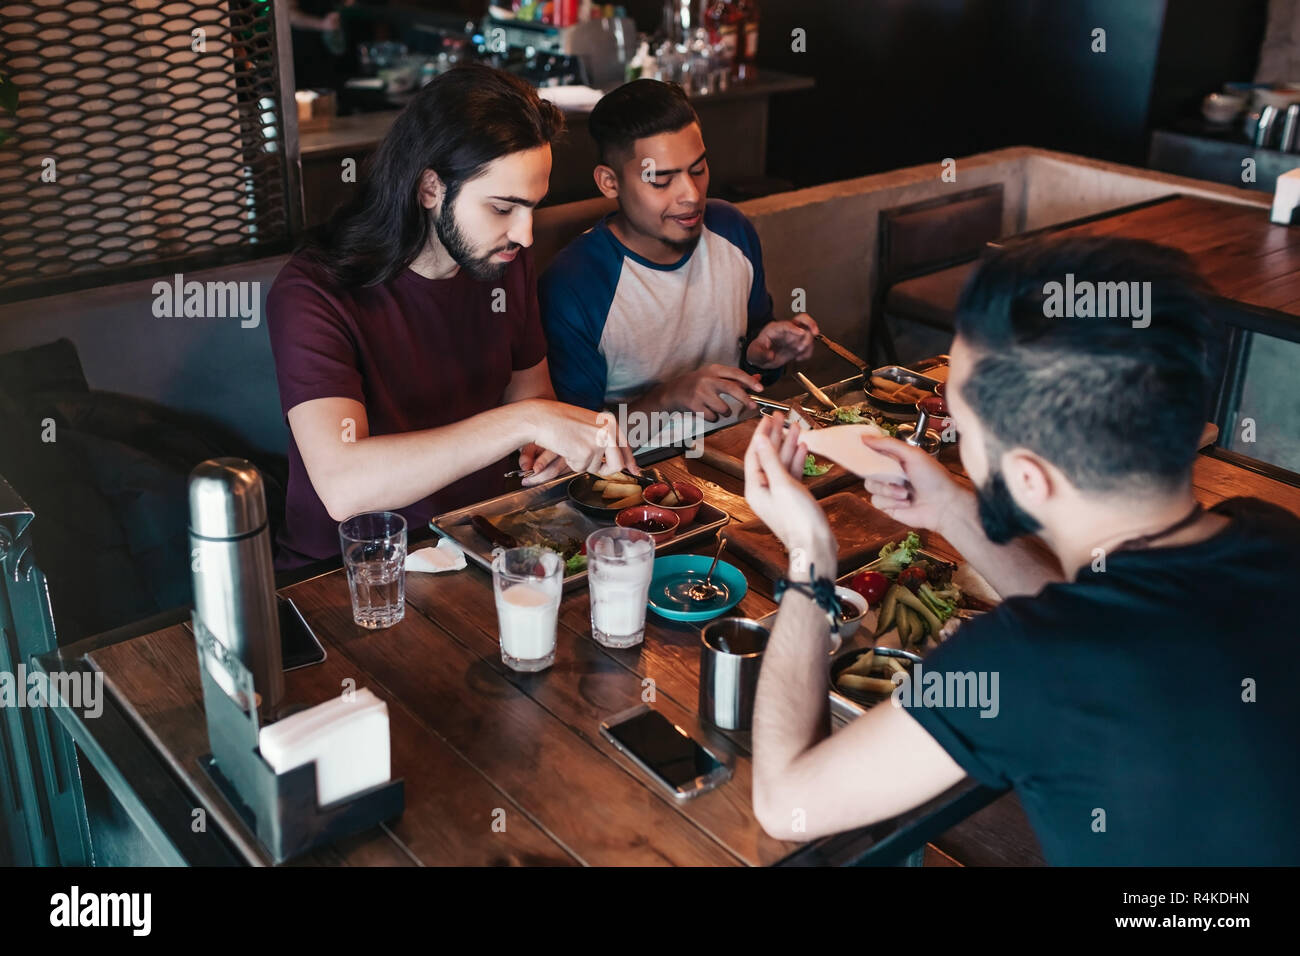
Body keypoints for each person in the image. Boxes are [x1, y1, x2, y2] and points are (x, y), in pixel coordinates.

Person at [742, 237, 1300, 865]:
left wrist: (809, 558)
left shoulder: (1019, 661)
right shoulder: (1270, 532)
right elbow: (1099, 618)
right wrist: (952, 508)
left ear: (1029, 478)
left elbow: (786, 801)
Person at [266, 64, 637, 570]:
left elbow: (529, 394)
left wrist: (542, 442)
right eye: (503, 208)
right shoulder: (315, 290)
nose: (526, 235)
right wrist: (525, 422)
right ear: (430, 189)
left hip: (480, 539)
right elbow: (342, 485)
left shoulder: (505, 261)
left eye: (533, 207)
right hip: (350, 574)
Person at [538, 79, 817, 440]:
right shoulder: (575, 285)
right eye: (661, 179)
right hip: (632, 480)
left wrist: (762, 355)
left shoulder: (732, 229)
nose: (690, 195)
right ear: (610, 182)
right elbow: (574, 442)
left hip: (735, 449)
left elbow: (749, 353)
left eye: (698, 169)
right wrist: (668, 397)